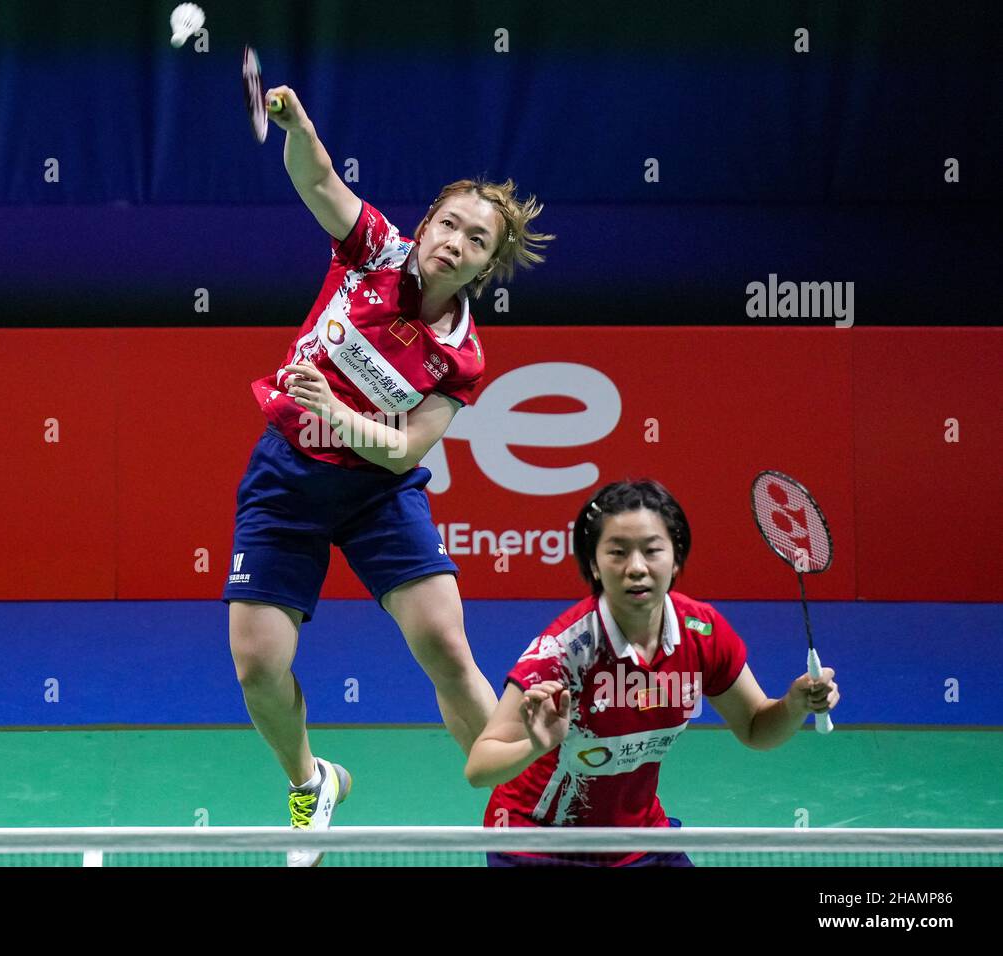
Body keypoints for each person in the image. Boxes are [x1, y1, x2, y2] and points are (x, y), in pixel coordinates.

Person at [223, 84, 554, 865]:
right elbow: (317, 181)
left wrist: (335, 416)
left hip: (378, 492)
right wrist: (299, 128)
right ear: (428, 222)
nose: (455, 242)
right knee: (258, 666)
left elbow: (406, 451)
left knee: (444, 641)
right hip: (287, 476)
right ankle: (311, 781)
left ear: (487, 262)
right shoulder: (374, 250)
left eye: (476, 238)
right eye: (449, 223)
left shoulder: (463, 354)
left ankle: (528, 810)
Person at [464, 479, 840, 866]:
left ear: (676, 558)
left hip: (637, 840)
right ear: (593, 563)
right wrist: (536, 746)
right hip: (538, 845)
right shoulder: (565, 652)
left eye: (652, 550)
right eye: (618, 553)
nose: (637, 568)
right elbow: (479, 767)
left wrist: (795, 706)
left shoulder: (702, 632)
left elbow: (757, 728)